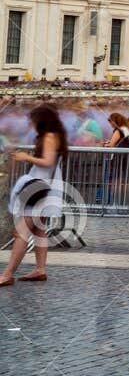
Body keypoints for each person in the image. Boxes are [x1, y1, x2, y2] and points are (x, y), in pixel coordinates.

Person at [2, 105, 69, 286]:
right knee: (39, 230)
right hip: (46, 187)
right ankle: (40, 269)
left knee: (22, 231)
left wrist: (27, 157)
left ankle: (7, 274)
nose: (31, 123)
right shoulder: (56, 136)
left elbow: (47, 162)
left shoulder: (48, 137)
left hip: (38, 188)